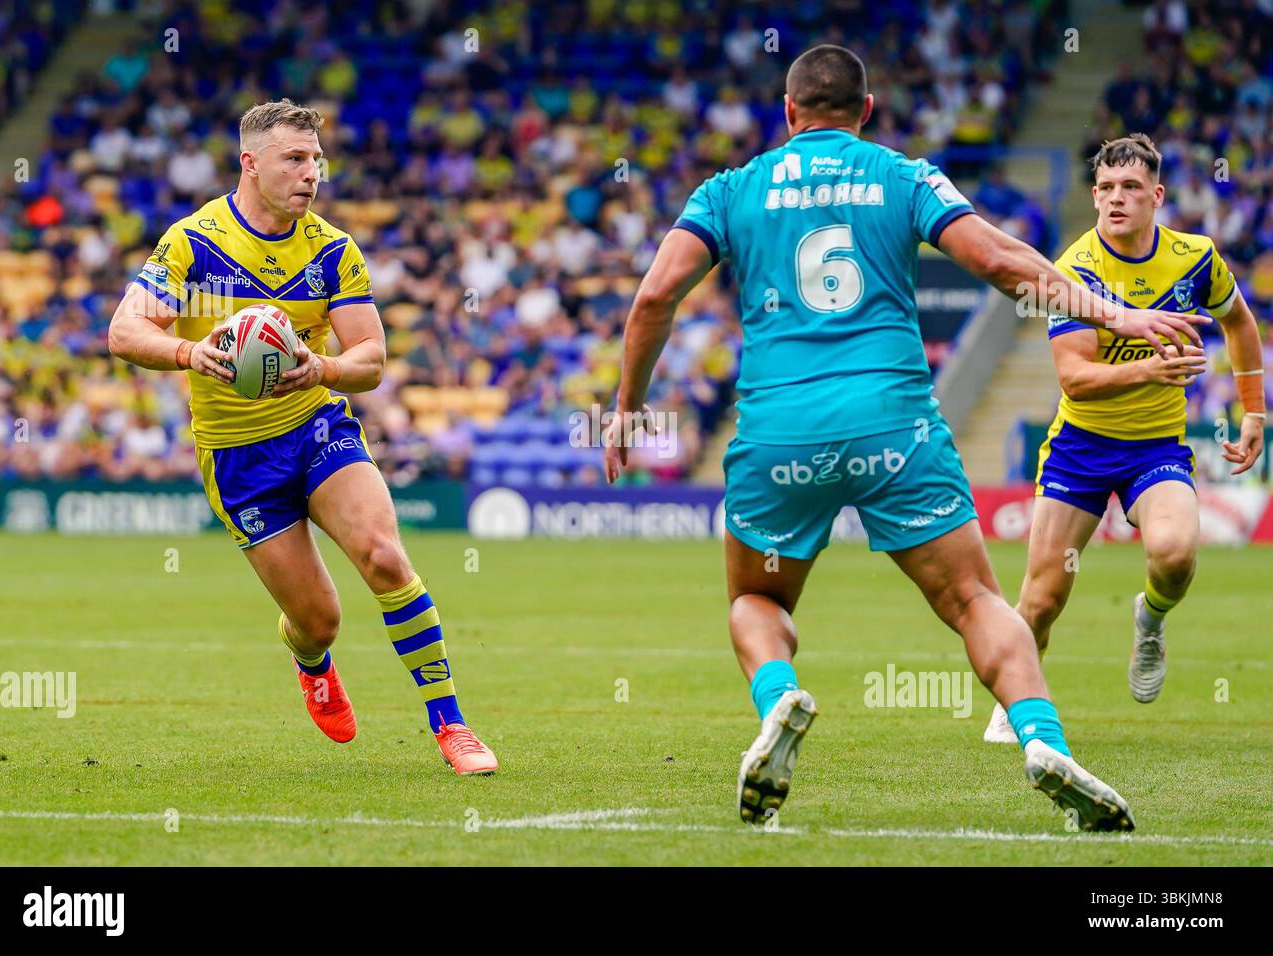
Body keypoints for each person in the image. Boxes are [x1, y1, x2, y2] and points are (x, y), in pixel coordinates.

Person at [605, 46, 1207, 829]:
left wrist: (628, 407)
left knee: (757, 596)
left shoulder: (731, 189)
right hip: (895, 425)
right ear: (869, 110)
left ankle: (780, 696)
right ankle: (1041, 737)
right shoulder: (904, 175)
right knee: (975, 600)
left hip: (780, 432)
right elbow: (997, 259)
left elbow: (655, 297)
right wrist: (1117, 313)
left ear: (788, 113)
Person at [108, 99, 498, 774]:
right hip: (237, 458)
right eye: (295, 158)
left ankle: (452, 725)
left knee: (382, 556)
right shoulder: (193, 244)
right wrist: (187, 354)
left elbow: (371, 359)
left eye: (316, 159)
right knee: (319, 620)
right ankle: (311, 661)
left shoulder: (332, 250)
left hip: (315, 425)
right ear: (250, 164)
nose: (311, 173)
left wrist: (323, 368)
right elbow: (124, 331)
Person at [983, 134, 1265, 742]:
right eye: (1106, 188)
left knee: (1175, 554)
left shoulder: (1195, 258)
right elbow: (1076, 380)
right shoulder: (1075, 269)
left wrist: (1254, 412)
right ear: (1094, 195)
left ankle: (1151, 621)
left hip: (1156, 449)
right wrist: (1149, 369)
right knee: (1043, 600)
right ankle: (1016, 698)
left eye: (1131, 188)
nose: (1116, 199)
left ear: (1157, 195)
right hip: (1080, 449)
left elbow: (1239, 322)